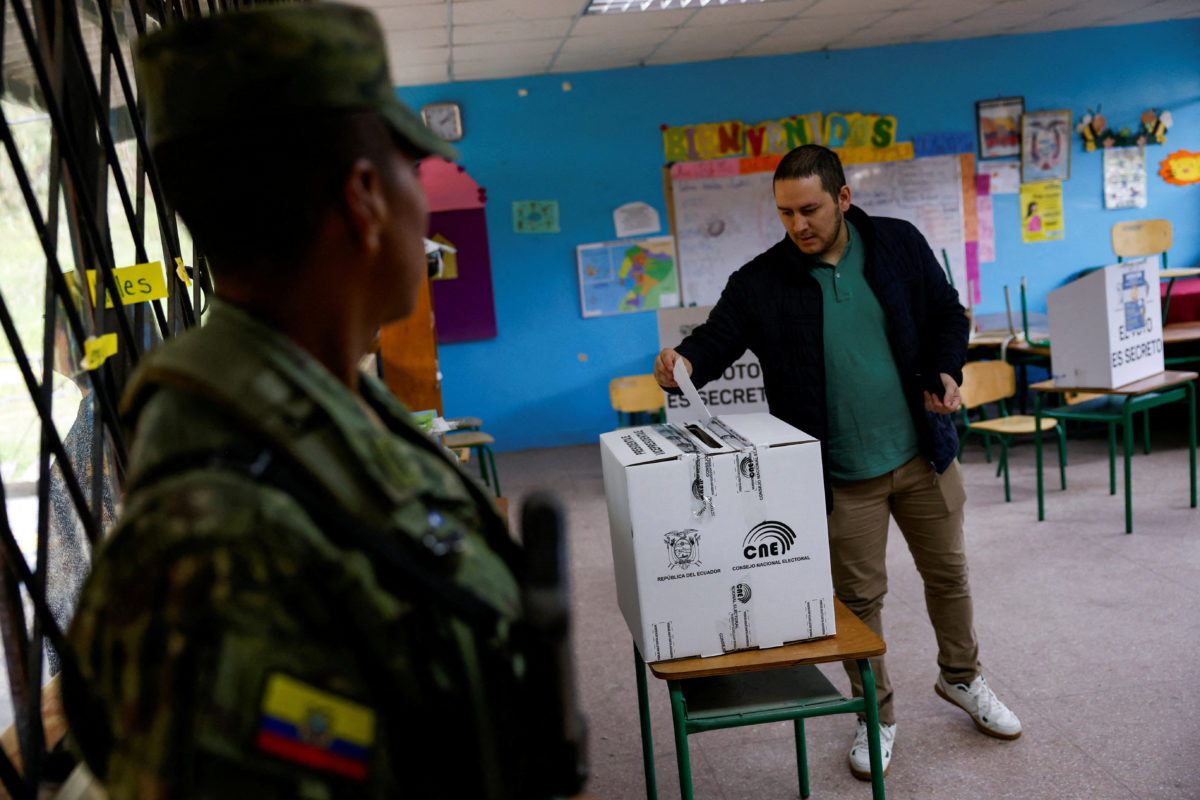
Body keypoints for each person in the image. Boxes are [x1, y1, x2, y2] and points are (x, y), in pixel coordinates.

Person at [62, 5, 583, 798]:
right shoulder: (221, 540)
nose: (429, 208)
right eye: (418, 170)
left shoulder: (322, 415)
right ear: (366, 196)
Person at [654, 144, 1021, 781]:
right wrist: (680, 364)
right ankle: (873, 716)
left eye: (811, 209)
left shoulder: (899, 245)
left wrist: (944, 368)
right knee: (856, 602)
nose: (798, 224)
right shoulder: (759, 282)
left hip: (922, 455)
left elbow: (947, 315)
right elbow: (712, 343)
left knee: (950, 576)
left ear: (844, 199)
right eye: (786, 212)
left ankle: (962, 678)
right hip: (840, 476)